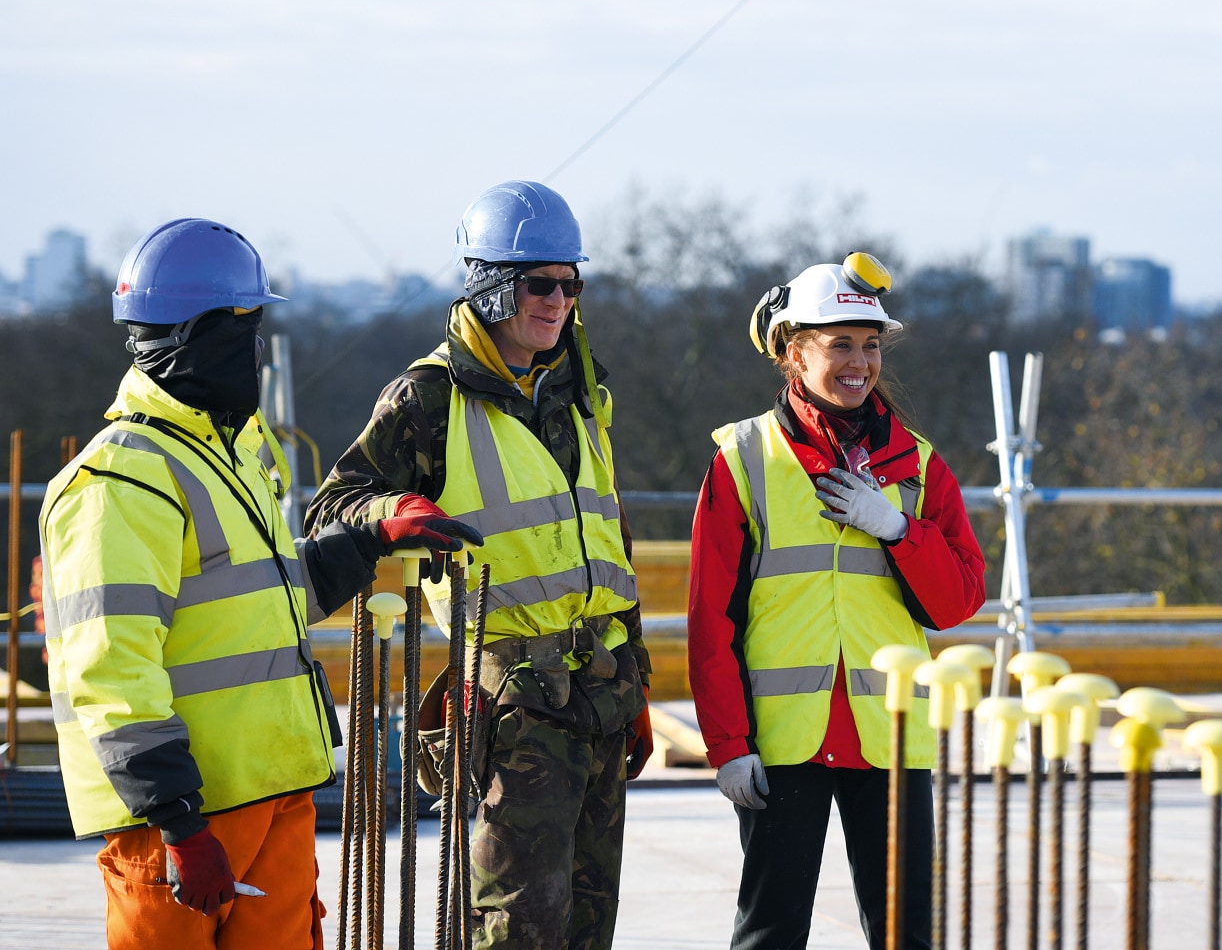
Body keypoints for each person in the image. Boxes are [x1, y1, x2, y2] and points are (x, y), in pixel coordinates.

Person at [40, 218, 479, 949]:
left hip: (272, 791)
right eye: (238, 330)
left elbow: (268, 599)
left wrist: (368, 537)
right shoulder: (118, 481)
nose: (251, 350)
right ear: (184, 337)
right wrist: (179, 822)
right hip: (183, 820)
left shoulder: (233, 452)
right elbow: (111, 671)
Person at [306, 181, 652, 950]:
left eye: (571, 283)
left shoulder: (577, 393)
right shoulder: (431, 398)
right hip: (517, 710)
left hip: (602, 695)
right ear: (493, 284)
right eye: (541, 283)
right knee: (515, 929)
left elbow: (607, 537)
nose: (559, 300)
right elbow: (333, 510)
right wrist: (388, 516)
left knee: (590, 928)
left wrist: (640, 677)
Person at [688, 252, 986, 950]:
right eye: (840, 344)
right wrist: (727, 746)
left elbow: (960, 599)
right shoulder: (743, 459)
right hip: (783, 742)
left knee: (907, 933)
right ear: (795, 353)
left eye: (872, 345)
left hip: (890, 735)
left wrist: (899, 529)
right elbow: (711, 620)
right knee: (770, 932)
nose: (861, 362)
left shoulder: (917, 464)